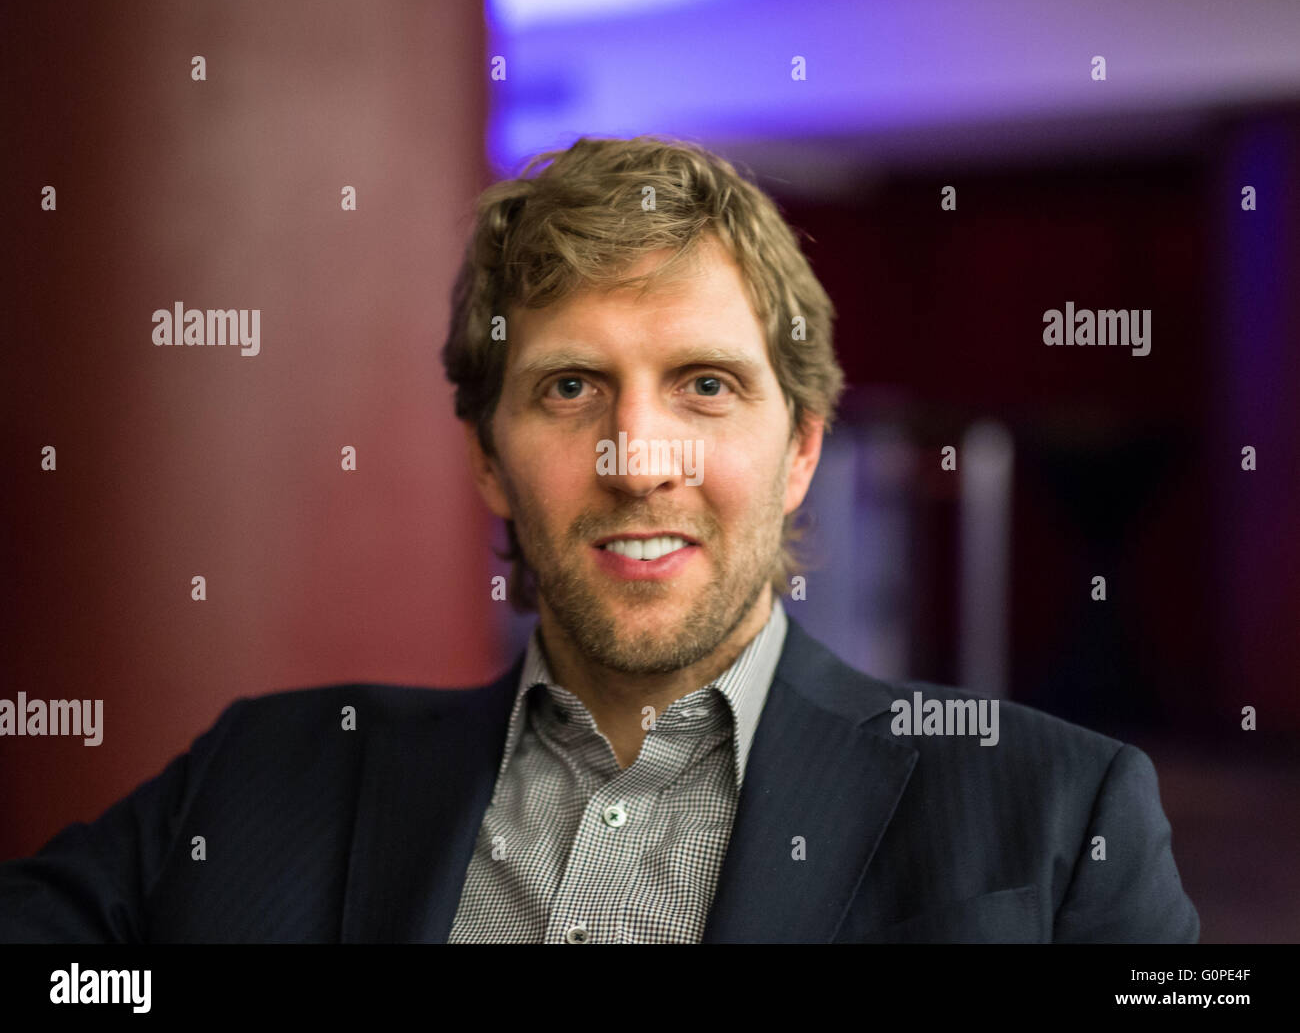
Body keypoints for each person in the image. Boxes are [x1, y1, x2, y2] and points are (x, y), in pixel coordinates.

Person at [0, 136, 1199, 943]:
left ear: (799, 453)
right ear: (487, 456)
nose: (637, 457)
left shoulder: (1058, 814)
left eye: (706, 387)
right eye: (571, 388)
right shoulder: (268, 771)